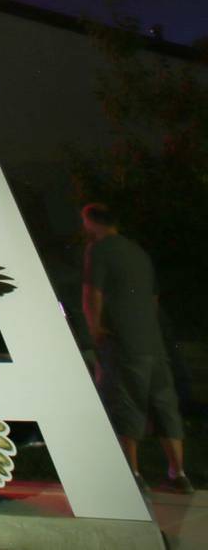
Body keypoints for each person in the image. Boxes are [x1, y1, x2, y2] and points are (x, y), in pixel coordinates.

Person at [82, 202, 191, 493]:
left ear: (91, 221)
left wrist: (95, 332)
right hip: (153, 344)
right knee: (164, 406)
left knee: (125, 403)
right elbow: (154, 300)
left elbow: (93, 292)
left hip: (123, 342)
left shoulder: (100, 249)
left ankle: (132, 476)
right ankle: (178, 473)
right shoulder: (139, 253)